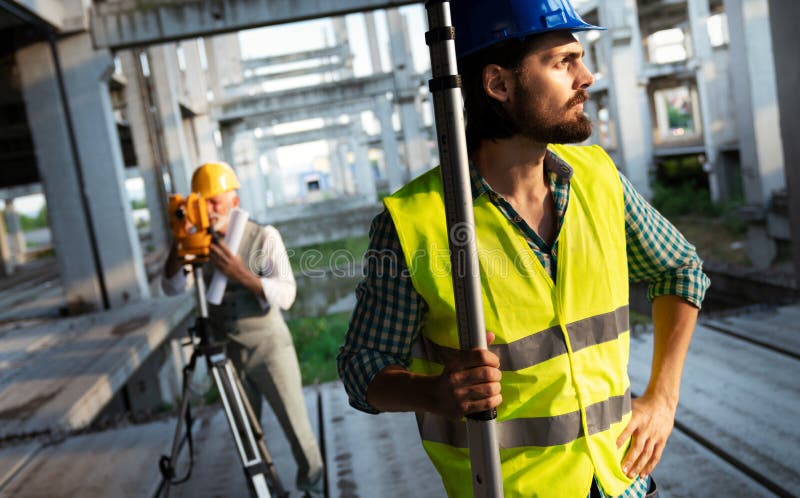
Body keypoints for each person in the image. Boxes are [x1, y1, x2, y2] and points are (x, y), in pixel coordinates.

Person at [337, 0, 710, 497]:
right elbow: (362, 366)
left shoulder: (599, 180)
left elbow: (681, 270)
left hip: (623, 484)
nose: (587, 76)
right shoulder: (416, 222)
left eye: (580, 58)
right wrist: (434, 393)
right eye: (563, 62)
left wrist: (663, 397)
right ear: (498, 84)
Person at [162, 161, 324, 496]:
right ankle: (266, 490)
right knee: (246, 435)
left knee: (298, 428)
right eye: (201, 201)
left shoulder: (264, 236)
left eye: (214, 201)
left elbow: (287, 294)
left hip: (269, 347)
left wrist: (243, 276)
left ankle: (314, 486)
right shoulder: (197, 242)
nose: (208, 209)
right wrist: (179, 246)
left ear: (233, 201)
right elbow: (172, 287)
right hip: (226, 351)